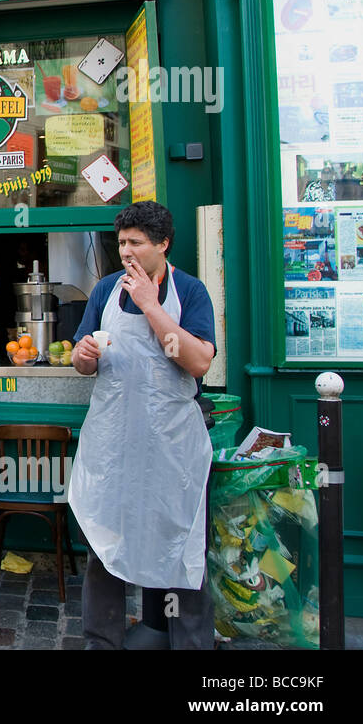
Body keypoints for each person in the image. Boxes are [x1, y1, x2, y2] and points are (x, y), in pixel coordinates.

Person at [67, 200, 217, 650]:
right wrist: (83, 356)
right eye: (121, 243)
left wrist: (151, 305)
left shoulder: (189, 292)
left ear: (163, 244)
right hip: (112, 445)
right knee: (103, 543)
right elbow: (79, 361)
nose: (126, 251)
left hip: (172, 448)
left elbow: (198, 362)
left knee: (180, 543)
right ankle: (102, 641)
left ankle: (188, 643)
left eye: (135, 243)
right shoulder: (105, 291)